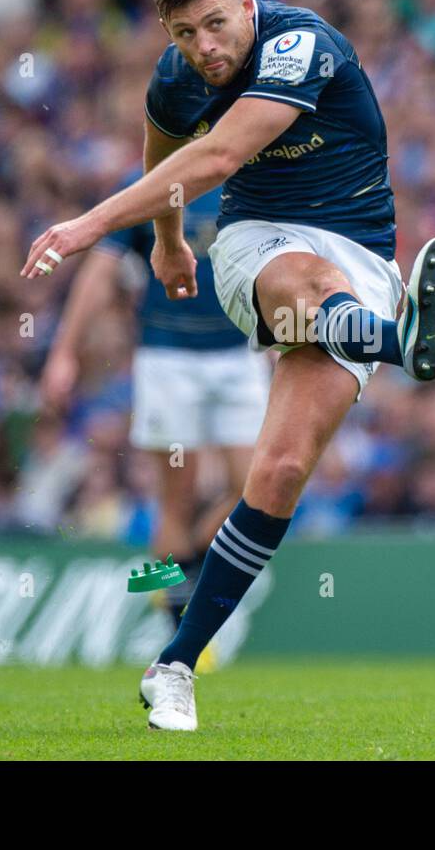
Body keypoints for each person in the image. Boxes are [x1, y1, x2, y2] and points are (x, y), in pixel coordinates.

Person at [22, 0, 435, 730]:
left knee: (280, 469)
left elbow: (219, 150)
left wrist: (89, 223)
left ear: (246, 3)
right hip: (255, 242)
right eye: (186, 33)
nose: (207, 47)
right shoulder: (175, 78)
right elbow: (169, 166)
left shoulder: (301, 42)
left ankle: (175, 665)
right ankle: (397, 341)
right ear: (168, 31)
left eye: (217, 24)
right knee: (176, 487)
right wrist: (167, 241)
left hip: (360, 254)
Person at [40, 181, 268, 639]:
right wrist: (64, 350)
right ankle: (179, 639)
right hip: (168, 358)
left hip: (241, 353)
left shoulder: (248, 176)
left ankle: (189, 566)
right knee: (175, 501)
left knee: (257, 490)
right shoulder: (146, 182)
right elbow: (100, 271)